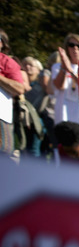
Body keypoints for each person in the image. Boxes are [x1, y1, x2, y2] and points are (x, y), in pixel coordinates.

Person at [0, 28, 26, 156]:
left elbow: (19, 88)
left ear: (2, 43)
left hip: (1, 116)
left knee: (3, 154)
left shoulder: (7, 62)